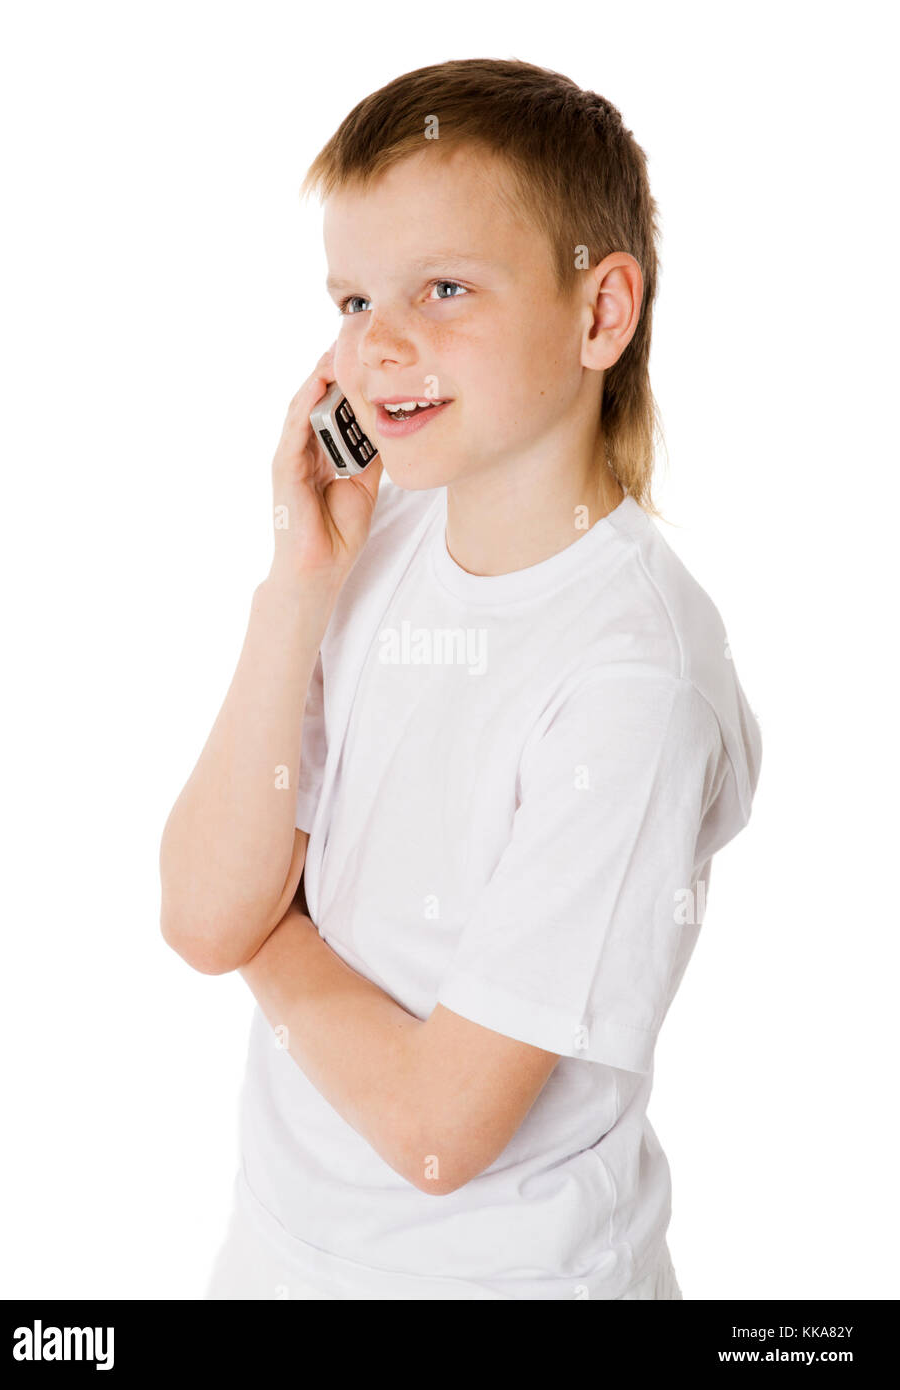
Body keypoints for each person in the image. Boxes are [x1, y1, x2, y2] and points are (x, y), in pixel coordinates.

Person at [160, 57, 762, 1301]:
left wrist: (271, 934)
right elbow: (197, 909)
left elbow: (440, 1130)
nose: (379, 342)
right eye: (352, 296)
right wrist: (296, 586)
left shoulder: (631, 682)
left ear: (600, 315)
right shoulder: (372, 549)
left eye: (443, 287)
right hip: (281, 1255)